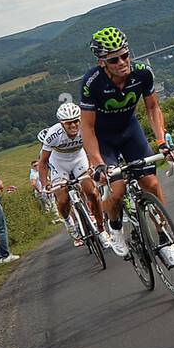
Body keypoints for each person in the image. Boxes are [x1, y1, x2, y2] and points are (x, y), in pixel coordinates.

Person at [78, 27, 174, 261]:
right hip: (103, 139)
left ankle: (164, 238)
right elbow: (87, 127)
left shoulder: (142, 73)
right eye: (114, 59)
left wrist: (161, 141)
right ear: (102, 62)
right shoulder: (92, 83)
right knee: (118, 189)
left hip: (130, 131)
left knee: (151, 184)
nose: (122, 62)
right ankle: (114, 227)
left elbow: (153, 108)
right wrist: (98, 163)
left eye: (125, 55)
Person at [37, 102, 107, 249]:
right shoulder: (53, 135)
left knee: (92, 193)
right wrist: (45, 184)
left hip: (78, 159)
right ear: (62, 123)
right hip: (59, 164)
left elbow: (92, 148)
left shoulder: (84, 127)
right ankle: (69, 221)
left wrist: (92, 166)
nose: (74, 125)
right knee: (63, 200)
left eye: (76, 121)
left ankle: (101, 229)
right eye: (69, 123)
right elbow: (42, 162)